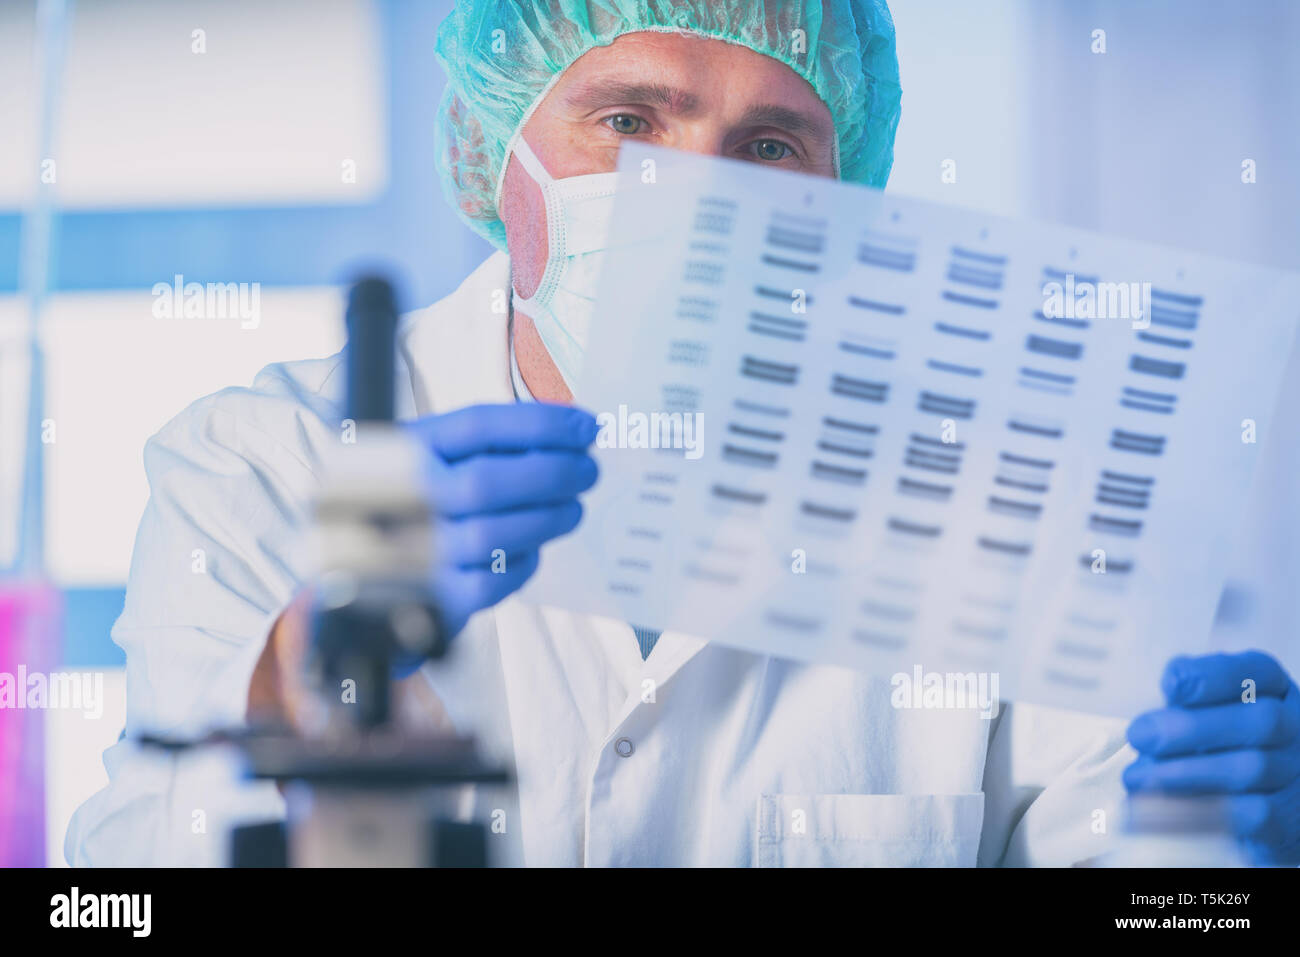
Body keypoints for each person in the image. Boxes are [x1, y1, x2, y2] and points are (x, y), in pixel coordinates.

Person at [67, 0, 1300, 866]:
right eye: (629, 123)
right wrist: (304, 680)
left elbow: (1126, 873)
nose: (698, 199)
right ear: (497, 154)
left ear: (841, 198)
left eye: (769, 147)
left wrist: (1208, 856)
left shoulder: (1008, 505)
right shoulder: (263, 462)